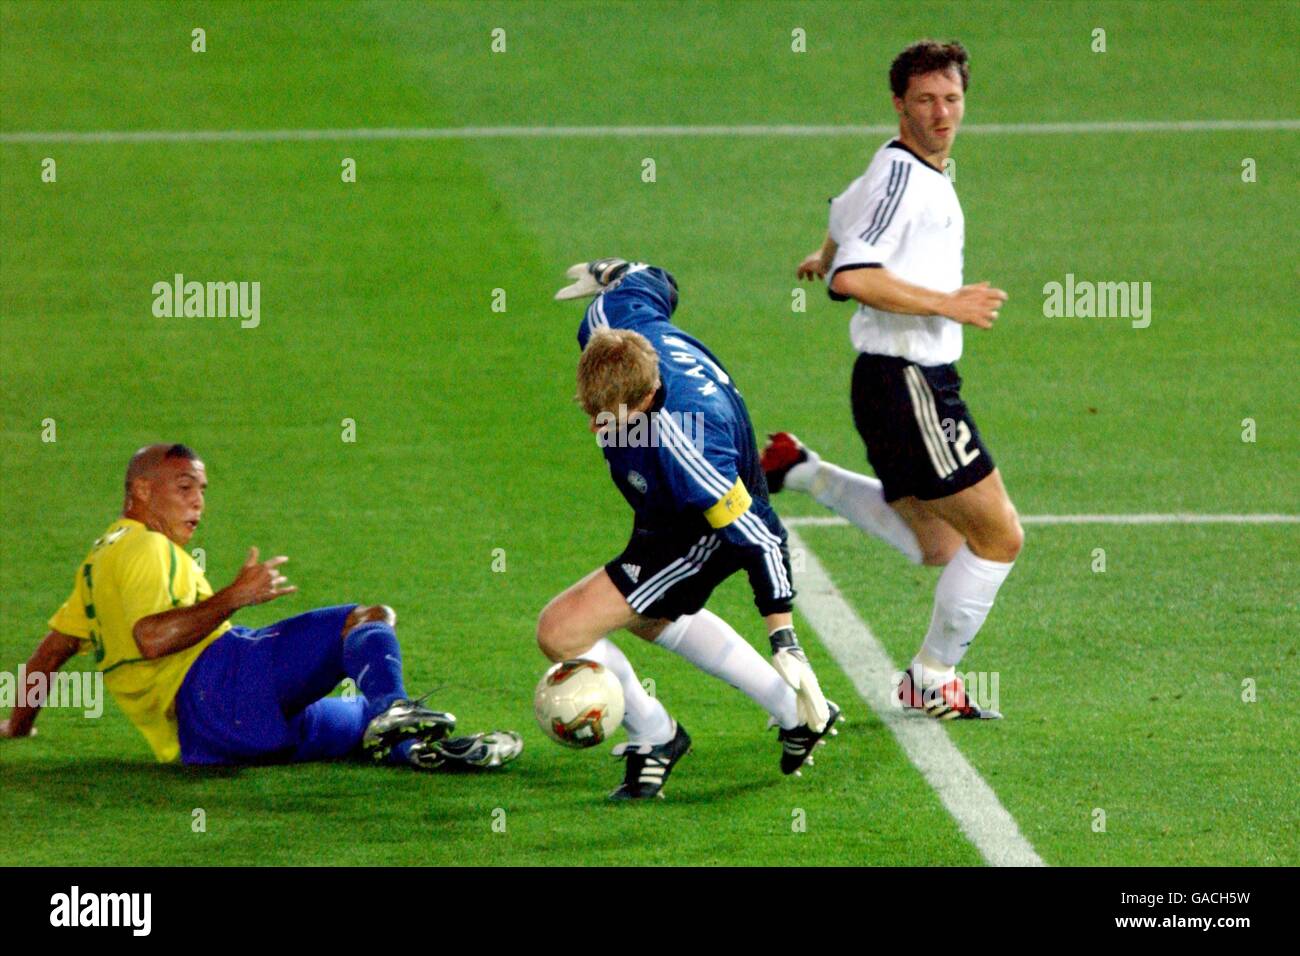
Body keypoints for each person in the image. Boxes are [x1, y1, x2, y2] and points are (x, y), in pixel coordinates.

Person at [769, 39, 1023, 719]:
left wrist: (821, 252)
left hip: (895, 383)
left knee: (938, 543)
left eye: (952, 98)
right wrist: (949, 303)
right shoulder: (906, 180)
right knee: (1000, 537)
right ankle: (931, 678)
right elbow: (855, 278)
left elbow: (844, 211)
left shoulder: (901, 165)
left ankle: (800, 471)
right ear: (898, 103)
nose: (942, 113)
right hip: (909, 382)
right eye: (926, 101)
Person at [1, 443, 522, 770]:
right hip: (222, 683)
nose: (198, 501)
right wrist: (235, 595)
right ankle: (394, 712)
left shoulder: (97, 561)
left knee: (364, 721)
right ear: (141, 490)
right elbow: (150, 638)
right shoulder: (145, 547)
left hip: (203, 742)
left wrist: (18, 725)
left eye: (202, 490)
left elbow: (51, 654)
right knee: (365, 619)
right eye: (184, 488)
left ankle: (414, 746)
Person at [537, 259, 841, 801]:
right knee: (649, 616)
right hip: (662, 513)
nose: (594, 425)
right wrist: (609, 270)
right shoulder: (614, 324)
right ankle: (794, 711)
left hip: (697, 530)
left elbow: (761, 536)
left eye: (609, 416)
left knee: (561, 632)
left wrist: (784, 636)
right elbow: (653, 278)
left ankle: (655, 735)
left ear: (648, 399)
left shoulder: (687, 442)